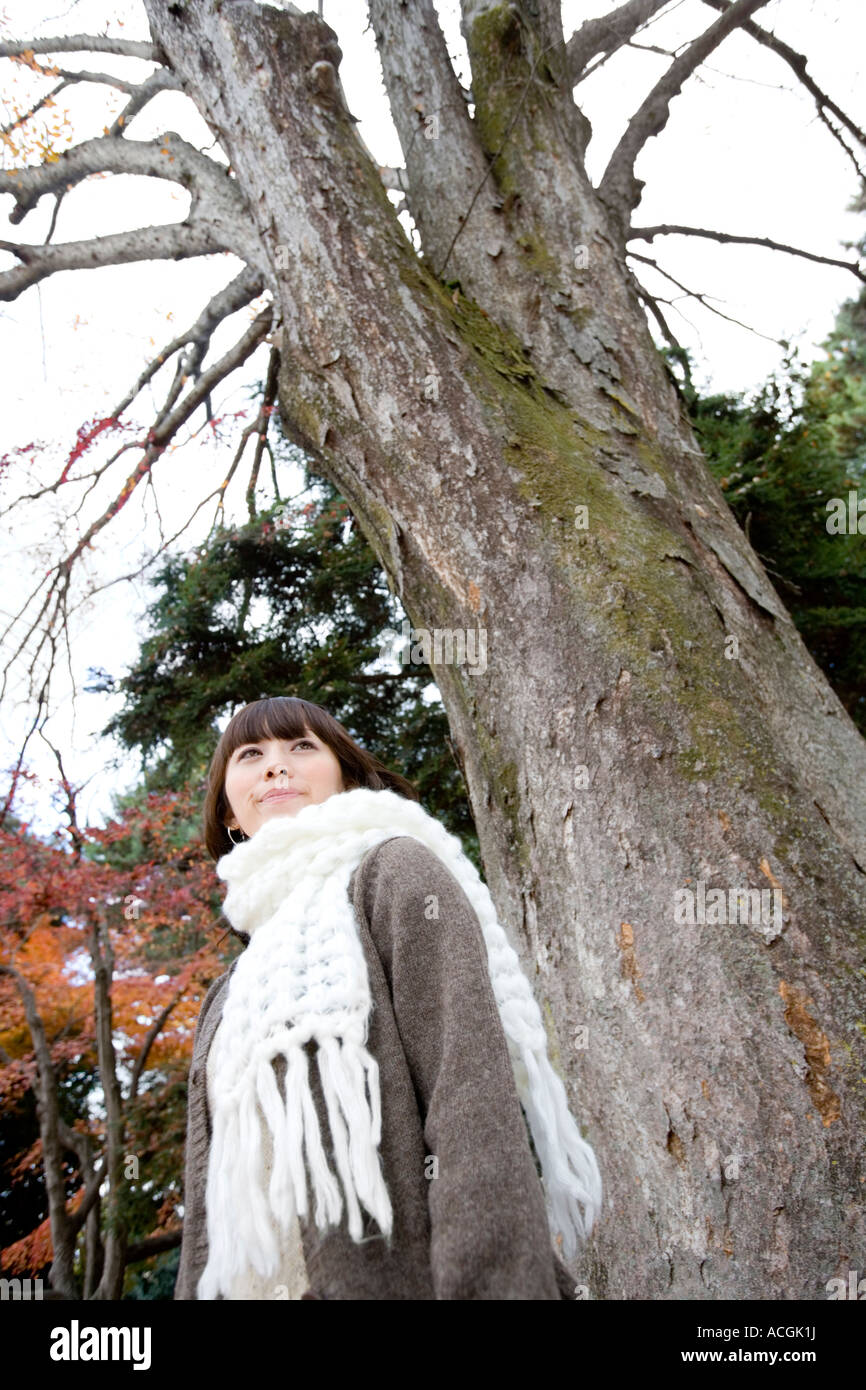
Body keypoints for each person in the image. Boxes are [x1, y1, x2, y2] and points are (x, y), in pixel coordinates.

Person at [174, 695, 602, 1300]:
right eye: (251, 754)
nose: (276, 766)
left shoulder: (394, 873)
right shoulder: (230, 992)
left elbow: (470, 1102)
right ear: (229, 811)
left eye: (301, 746)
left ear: (346, 777)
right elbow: (208, 1212)